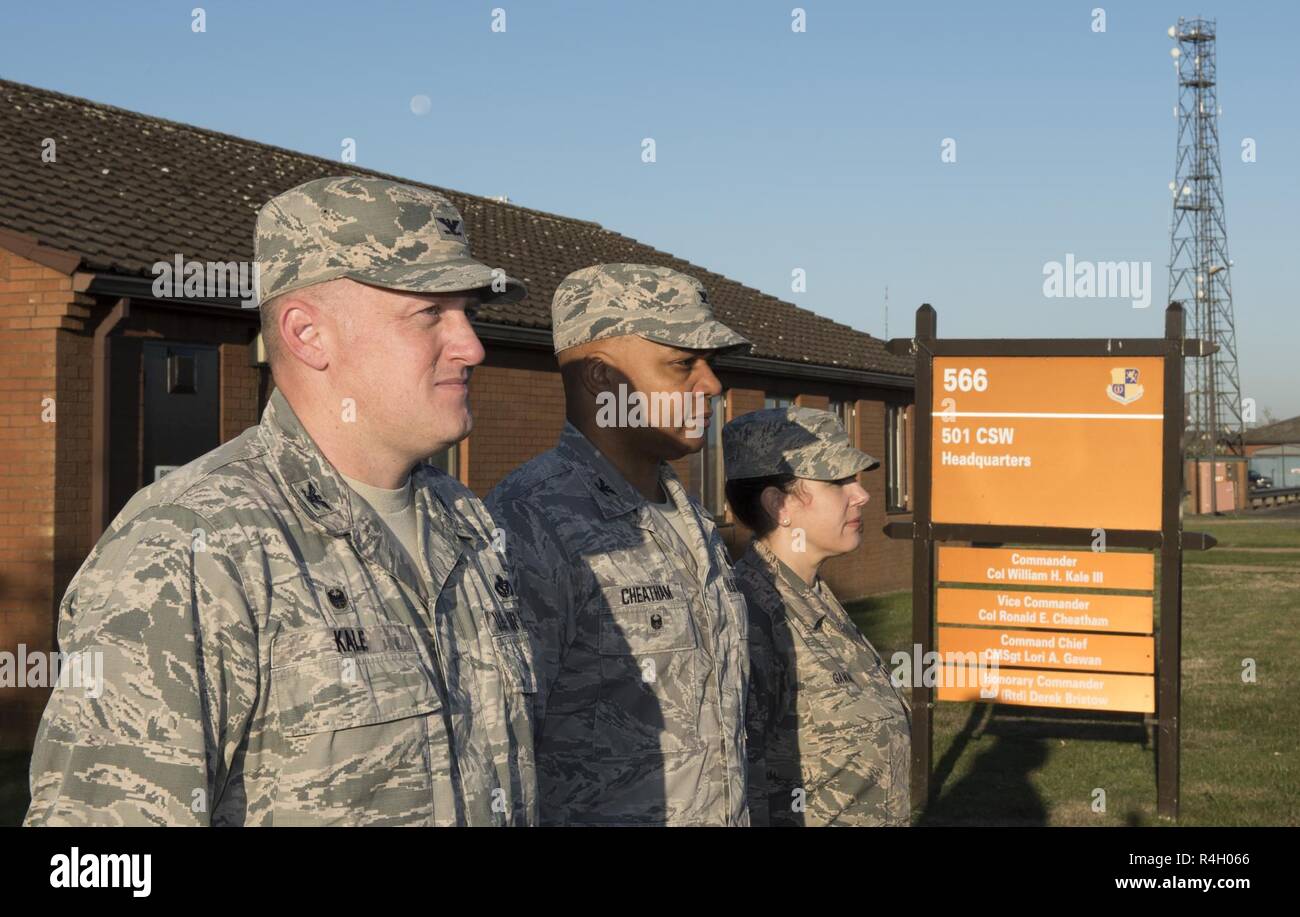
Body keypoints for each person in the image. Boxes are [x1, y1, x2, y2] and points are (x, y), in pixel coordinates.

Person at [26, 176, 538, 826]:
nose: (472, 345)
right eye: (430, 313)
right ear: (306, 333)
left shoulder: (467, 523)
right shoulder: (189, 545)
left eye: (466, 311)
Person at [488, 263, 752, 825]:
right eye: (683, 363)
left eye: (709, 364)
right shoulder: (533, 522)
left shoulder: (688, 516)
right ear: (602, 379)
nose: (711, 385)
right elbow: (500, 753)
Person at [723, 406, 911, 826]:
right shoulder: (751, 621)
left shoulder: (816, 600)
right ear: (780, 505)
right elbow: (738, 794)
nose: (860, 494)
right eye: (837, 480)